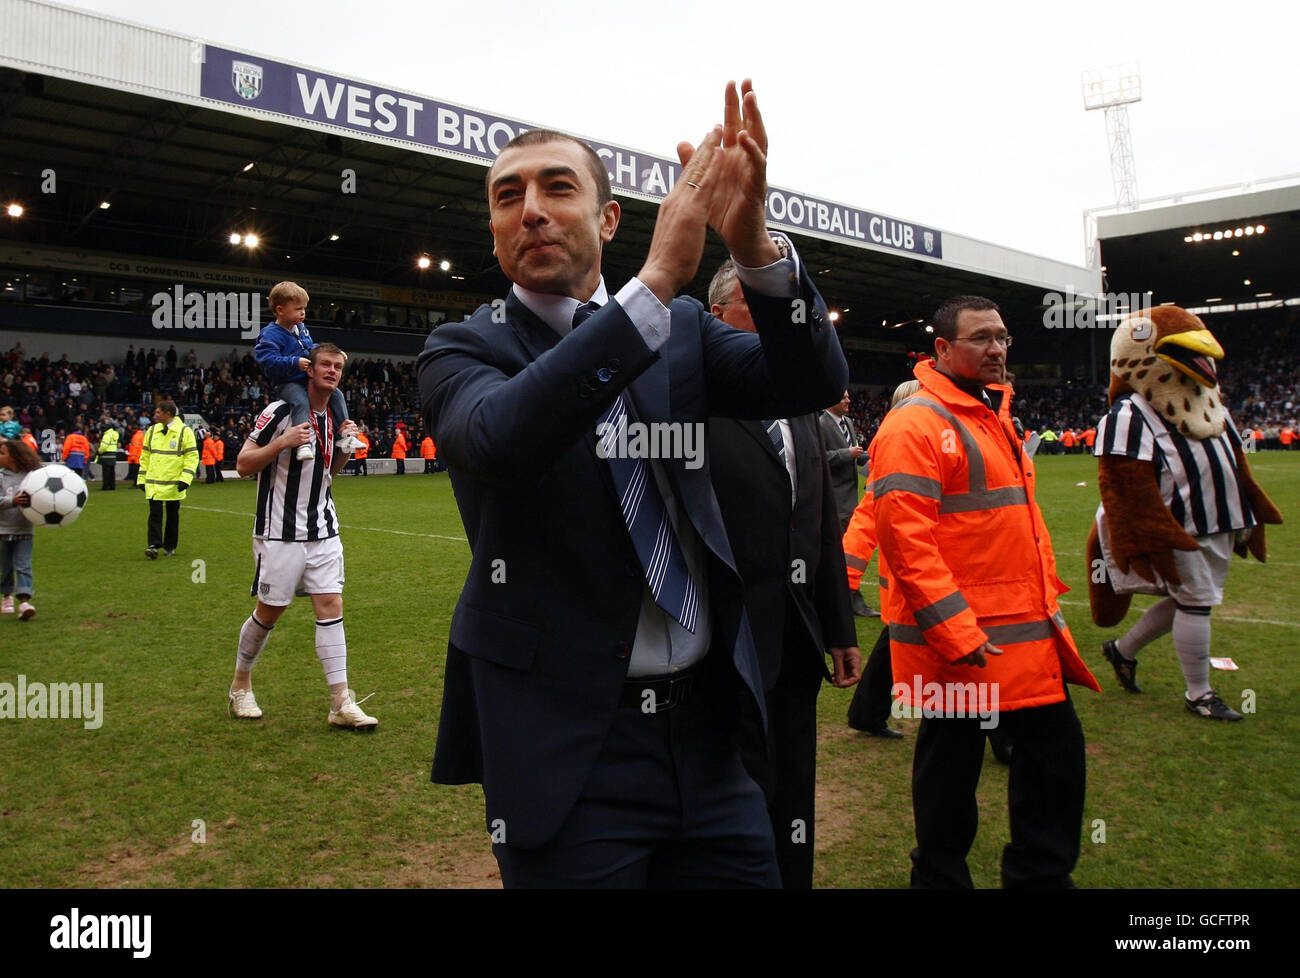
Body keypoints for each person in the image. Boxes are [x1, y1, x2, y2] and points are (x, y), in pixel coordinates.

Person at [418, 81, 847, 888]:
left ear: (608, 218)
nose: (531, 210)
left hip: (711, 736)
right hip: (570, 747)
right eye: (508, 197)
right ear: (494, 229)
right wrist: (651, 289)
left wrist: (752, 246)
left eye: (557, 187)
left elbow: (811, 378)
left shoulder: (684, 331)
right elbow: (501, 439)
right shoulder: (459, 349)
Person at [870, 295, 1099, 888]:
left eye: (1002, 337)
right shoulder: (915, 423)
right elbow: (905, 540)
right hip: (965, 644)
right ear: (942, 349)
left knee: (1053, 765)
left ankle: (1037, 879)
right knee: (950, 776)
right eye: (980, 339)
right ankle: (943, 880)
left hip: (1023, 634)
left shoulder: (990, 413)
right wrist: (953, 631)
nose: (996, 348)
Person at [705, 258, 861, 887]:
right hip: (721, 643)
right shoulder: (691, 398)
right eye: (758, 302)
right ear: (717, 317)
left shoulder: (801, 402)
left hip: (797, 641)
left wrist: (840, 627)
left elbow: (820, 523)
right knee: (732, 797)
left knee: (795, 791)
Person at [227, 343, 376, 730]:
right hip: (279, 532)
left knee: (331, 605)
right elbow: (243, 464)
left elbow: (329, 474)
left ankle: (341, 702)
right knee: (269, 611)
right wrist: (281, 443)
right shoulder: (279, 412)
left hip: (324, 528)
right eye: (325, 364)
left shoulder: (335, 417)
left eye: (337, 367)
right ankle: (240, 685)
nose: (331, 371)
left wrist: (345, 446)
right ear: (310, 370)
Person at [842, 378, 922, 740]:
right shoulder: (902, 445)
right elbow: (869, 515)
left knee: (895, 645)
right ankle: (1001, 733)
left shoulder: (905, 441)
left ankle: (866, 713)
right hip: (918, 572)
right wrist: (845, 578)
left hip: (918, 572)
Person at [253, 282, 361, 462]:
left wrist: (332, 352)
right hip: (286, 383)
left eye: (304, 308)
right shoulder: (269, 335)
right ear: (280, 310)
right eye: (298, 309)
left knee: (338, 394)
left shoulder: (301, 329)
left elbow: (311, 348)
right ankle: (303, 443)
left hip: (305, 378)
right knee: (301, 402)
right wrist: (294, 362)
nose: (303, 313)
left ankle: (346, 435)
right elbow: (267, 362)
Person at [139, 400, 198, 558]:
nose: (155, 415)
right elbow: (145, 456)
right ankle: (153, 545)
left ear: (168, 413)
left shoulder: (184, 431)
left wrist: (186, 478)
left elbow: (192, 456)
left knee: (173, 515)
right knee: (154, 514)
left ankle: (170, 546)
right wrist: (141, 478)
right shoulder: (151, 431)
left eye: (158, 412)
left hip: (173, 483)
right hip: (154, 482)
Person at [0, 438, 42, 620]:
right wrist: (13, 501)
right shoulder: (1, 476)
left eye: (2, 453)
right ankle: (7, 597)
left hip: (25, 529)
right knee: (4, 568)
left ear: (15, 457)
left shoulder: (31, 476)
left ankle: (24, 602)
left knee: (23, 566)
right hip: (2, 530)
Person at [94, 423, 120, 490]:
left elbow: (104, 446)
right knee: (112, 472)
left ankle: (105, 486)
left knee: (106, 472)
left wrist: (99, 451)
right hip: (113, 455)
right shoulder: (115, 434)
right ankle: (112, 486)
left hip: (106, 455)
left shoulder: (107, 435)